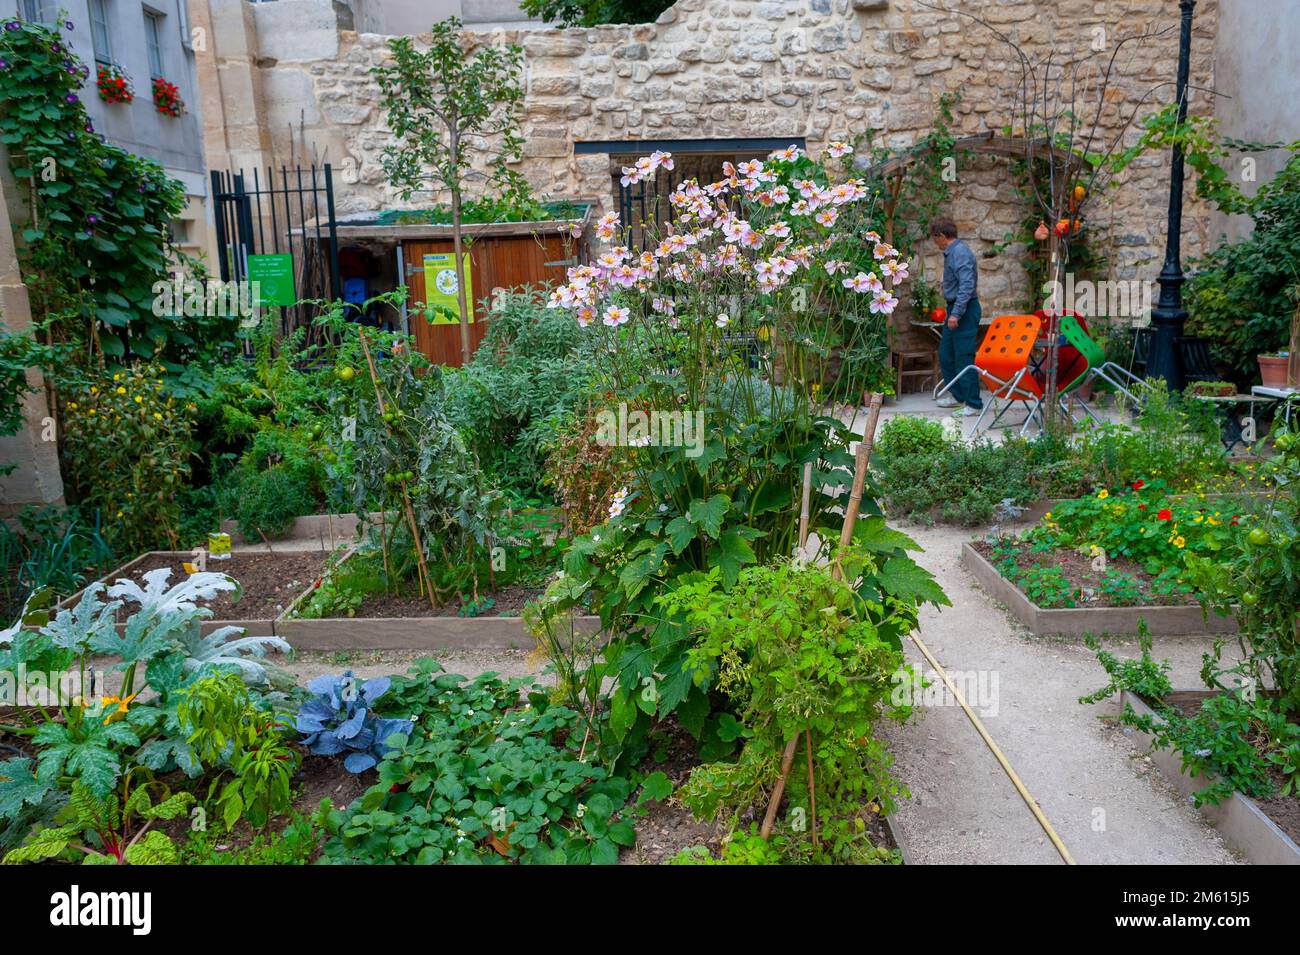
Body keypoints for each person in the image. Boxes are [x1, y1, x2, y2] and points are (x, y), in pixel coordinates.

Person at [930, 219, 983, 415]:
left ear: (941, 236)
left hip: (965, 310)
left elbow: (967, 286)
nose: (935, 243)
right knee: (946, 355)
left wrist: (957, 313)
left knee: (963, 356)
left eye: (935, 239)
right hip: (956, 309)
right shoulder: (953, 252)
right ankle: (959, 395)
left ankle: (973, 404)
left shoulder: (960, 253)